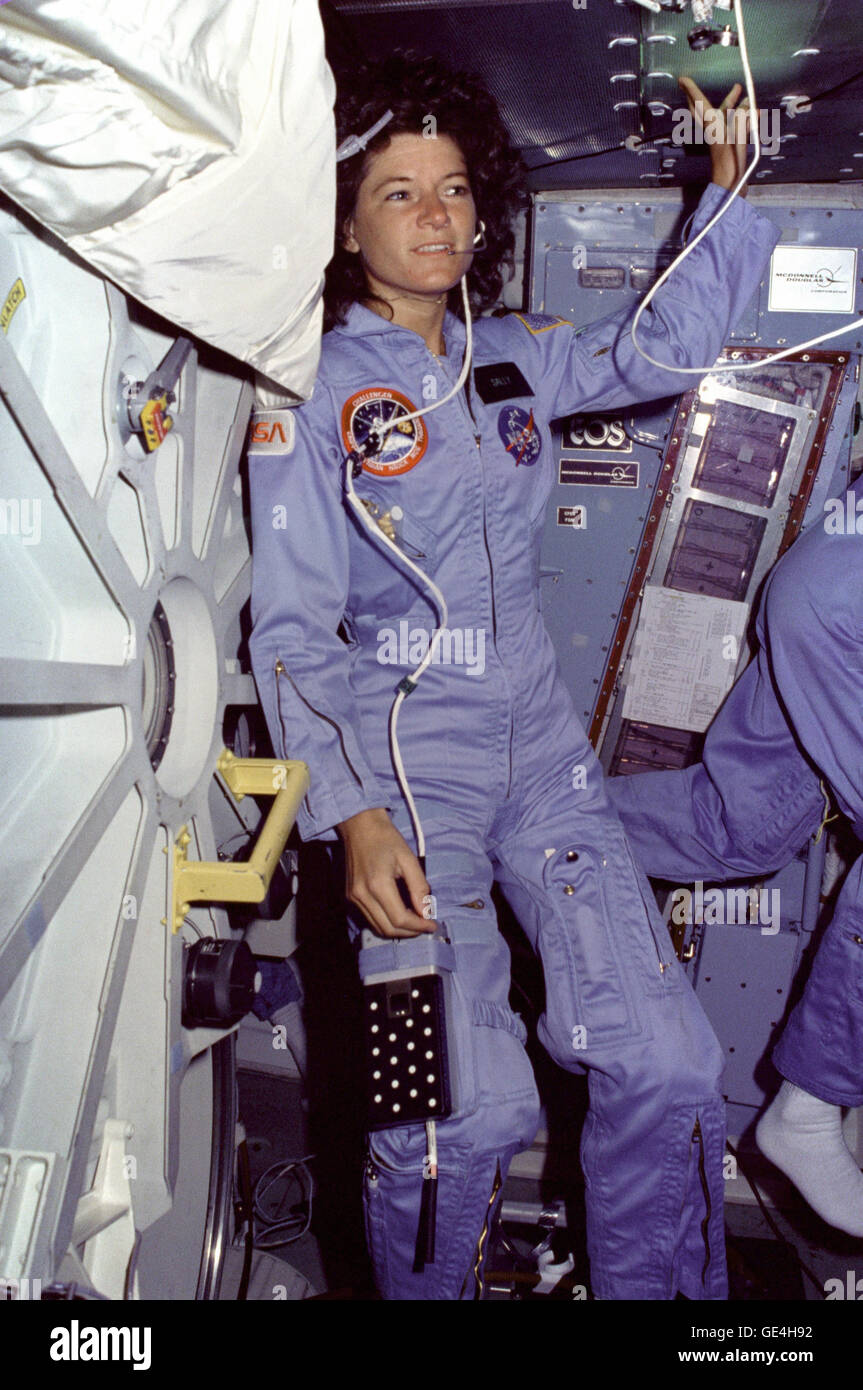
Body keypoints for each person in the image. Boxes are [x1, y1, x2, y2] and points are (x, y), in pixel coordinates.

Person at [248, 55, 781, 1299]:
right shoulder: (311, 395)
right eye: (397, 193)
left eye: (451, 190)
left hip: (541, 757)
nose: (434, 215)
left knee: (665, 1063)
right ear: (344, 222)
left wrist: (725, 181)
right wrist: (351, 812)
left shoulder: (517, 358)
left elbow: (659, 349)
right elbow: (288, 626)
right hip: (403, 765)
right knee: (452, 1119)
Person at [608, 475, 863, 1239]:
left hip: (831, 569)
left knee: (740, 823)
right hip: (846, 606)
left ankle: (503, 819)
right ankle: (809, 1110)